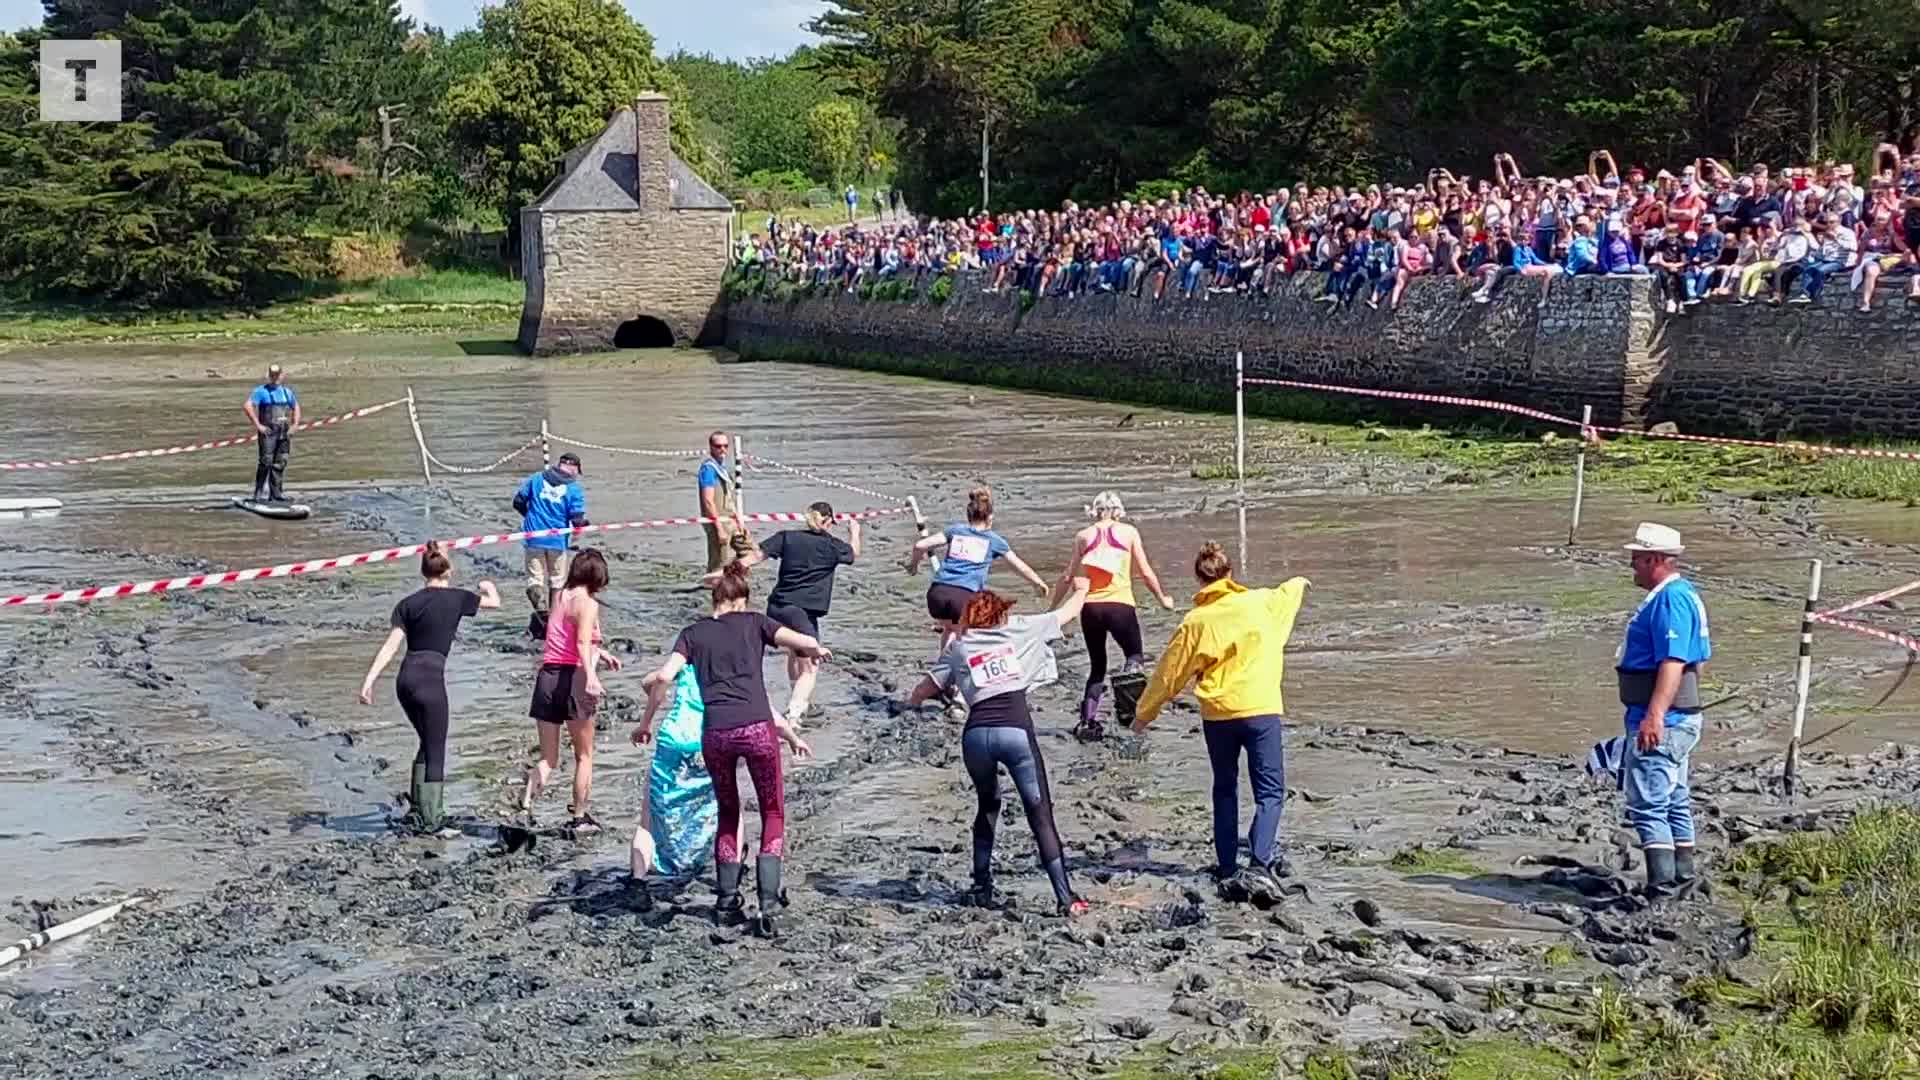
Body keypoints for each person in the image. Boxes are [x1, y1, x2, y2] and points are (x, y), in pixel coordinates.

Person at [639, 563, 825, 937]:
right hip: (757, 728)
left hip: (717, 733)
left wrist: (645, 722)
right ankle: (768, 904)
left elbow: (663, 675)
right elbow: (801, 640)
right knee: (772, 812)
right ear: (741, 600)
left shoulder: (691, 634)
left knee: (728, 812)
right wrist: (817, 648)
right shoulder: (755, 622)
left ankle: (726, 902)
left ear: (716, 600)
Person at [1132, 542, 1310, 901]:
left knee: (1225, 789)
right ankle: (1259, 864)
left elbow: (1170, 674)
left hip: (1218, 716)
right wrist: (1301, 581)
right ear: (1230, 575)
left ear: (1199, 579)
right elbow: (1287, 594)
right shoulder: (1260, 602)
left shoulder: (1195, 622)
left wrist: (1144, 714)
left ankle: (1228, 867)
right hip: (1261, 710)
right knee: (1271, 792)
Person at [906, 581, 1093, 918]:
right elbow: (1066, 614)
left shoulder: (959, 648)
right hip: (1015, 733)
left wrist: (910, 708)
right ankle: (1066, 898)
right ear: (1001, 615)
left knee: (988, 806)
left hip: (976, 737)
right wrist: (1083, 587)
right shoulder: (1018, 631)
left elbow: (925, 689)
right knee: (1040, 816)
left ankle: (981, 886)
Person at [357, 541, 501, 834]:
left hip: (406, 680)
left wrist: (369, 681)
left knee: (426, 740)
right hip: (431, 681)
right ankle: (433, 819)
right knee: (436, 748)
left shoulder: (407, 604)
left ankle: (418, 808)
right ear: (448, 571)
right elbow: (494, 603)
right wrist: (488, 586)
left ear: (423, 571)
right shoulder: (458, 598)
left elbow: (391, 646)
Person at [1615, 522, 1711, 901]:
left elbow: (1674, 660)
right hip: (1678, 716)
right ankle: (1681, 876)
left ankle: (1663, 886)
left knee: (1648, 803)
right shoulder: (1683, 596)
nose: (1632, 566)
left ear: (1655, 559)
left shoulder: (1671, 600)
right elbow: (1698, 663)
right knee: (1673, 798)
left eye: (1636, 559)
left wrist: (1654, 714)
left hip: (1664, 719)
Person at [1049, 491, 1175, 741]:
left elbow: (1067, 576)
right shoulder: (1128, 533)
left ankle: (1088, 720)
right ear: (1118, 511)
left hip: (1091, 608)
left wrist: (1052, 610)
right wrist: (1163, 599)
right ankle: (1128, 708)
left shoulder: (1083, 536)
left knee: (1097, 667)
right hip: (1120, 606)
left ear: (1094, 511)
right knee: (1134, 656)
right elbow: (1146, 572)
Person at [727, 501, 861, 723]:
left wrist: (726, 576)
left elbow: (753, 559)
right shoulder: (834, 546)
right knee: (810, 666)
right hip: (802, 612)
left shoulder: (786, 537)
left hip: (777, 608)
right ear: (828, 522)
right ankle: (795, 715)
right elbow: (854, 554)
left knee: (794, 651)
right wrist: (855, 532)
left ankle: (797, 697)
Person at [522, 548, 621, 835]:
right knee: (584, 755)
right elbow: (580, 644)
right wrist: (591, 676)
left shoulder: (561, 597)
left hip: (548, 677)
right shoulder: (588, 604)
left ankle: (527, 802)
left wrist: (600, 653)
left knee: (548, 758)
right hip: (573, 679)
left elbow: (566, 638)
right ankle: (579, 816)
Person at [626, 662, 720, 909]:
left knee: (648, 816)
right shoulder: (730, 664)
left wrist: (659, 704)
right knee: (714, 807)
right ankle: (712, 867)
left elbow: (651, 681)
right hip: (708, 736)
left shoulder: (687, 659)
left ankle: (637, 880)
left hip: (675, 735)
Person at [908, 485, 1050, 645]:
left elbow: (920, 546)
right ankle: (958, 666)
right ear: (990, 518)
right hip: (964, 597)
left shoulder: (955, 531)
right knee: (969, 635)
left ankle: (943, 664)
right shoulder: (994, 540)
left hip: (937, 595)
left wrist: (913, 566)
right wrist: (1038, 583)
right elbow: (1019, 566)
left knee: (951, 629)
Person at [512, 452, 588, 640]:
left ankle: (541, 608)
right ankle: (553, 620)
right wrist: (584, 524)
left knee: (535, 579)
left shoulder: (536, 479)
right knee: (557, 579)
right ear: (574, 469)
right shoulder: (573, 489)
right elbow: (576, 518)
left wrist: (530, 519)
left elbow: (518, 502)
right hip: (557, 541)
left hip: (533, 537)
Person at [243, 363, 299, 503]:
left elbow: (296, 407)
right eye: (272, 375)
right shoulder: (261, 391)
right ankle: (258, 494)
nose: (275, 377)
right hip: (268, 433)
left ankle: (276, 494)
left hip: (284, 433)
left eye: (277, 375)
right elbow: (247, 405)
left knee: (280, 462)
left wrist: (295, 425)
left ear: (282, 375)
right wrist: (258, 425)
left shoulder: (287, 392)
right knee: (266, 462)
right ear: (269, 376)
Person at [698, 431, 748, 574]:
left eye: (725, 446)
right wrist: (718, 528)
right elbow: (708, 501)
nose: (723, 450)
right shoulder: (708, 469)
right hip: (718, 523)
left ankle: (738, 588)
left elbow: (730, 499)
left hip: (731, 520)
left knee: (749, 553)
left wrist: (740, 523)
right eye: (718, 446)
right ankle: (712, 591)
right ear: (711, 447)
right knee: (720, 565)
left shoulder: (723, 469)